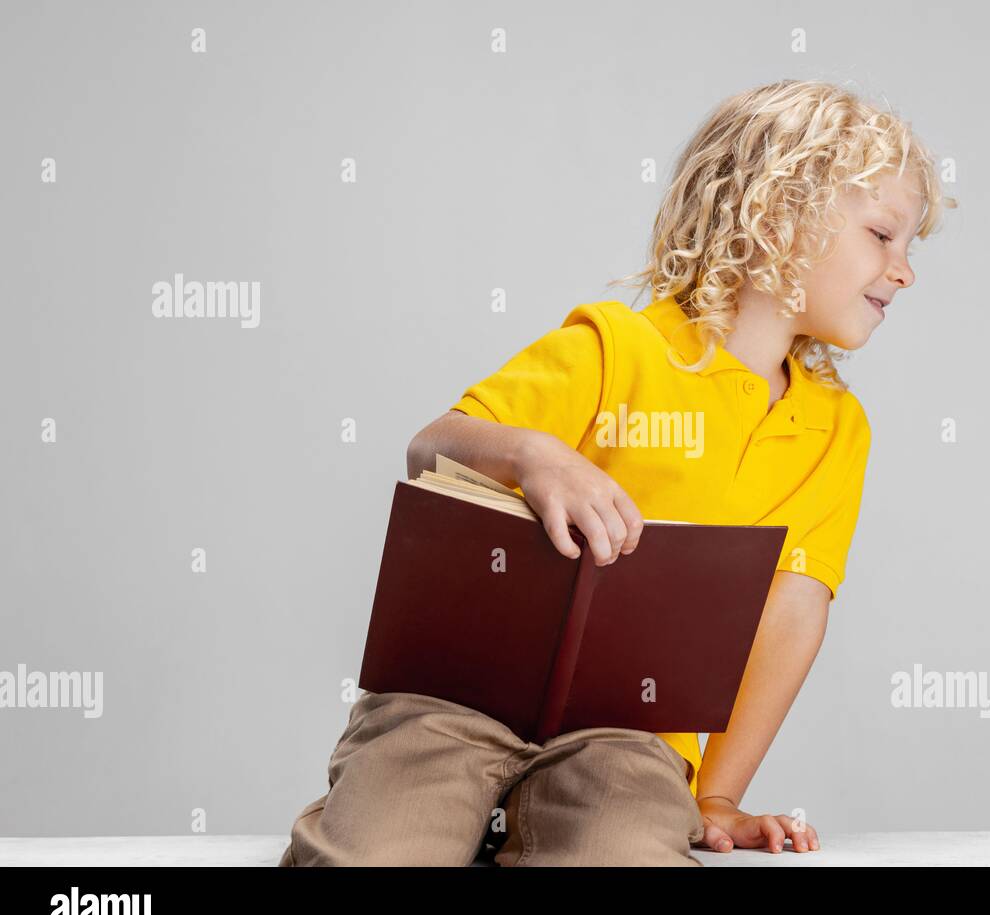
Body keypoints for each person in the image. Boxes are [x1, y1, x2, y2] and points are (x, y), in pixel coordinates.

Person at [280, 78, 955, 866]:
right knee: (374, 853)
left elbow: (791, 612)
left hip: (627, 734)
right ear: (778, 219)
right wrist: (535, 456)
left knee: (625, 852)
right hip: (450, 702)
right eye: (882, 234)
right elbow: (432, 445)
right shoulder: (614, 346)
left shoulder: (834, 428)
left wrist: (716, 796)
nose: (903, 270)